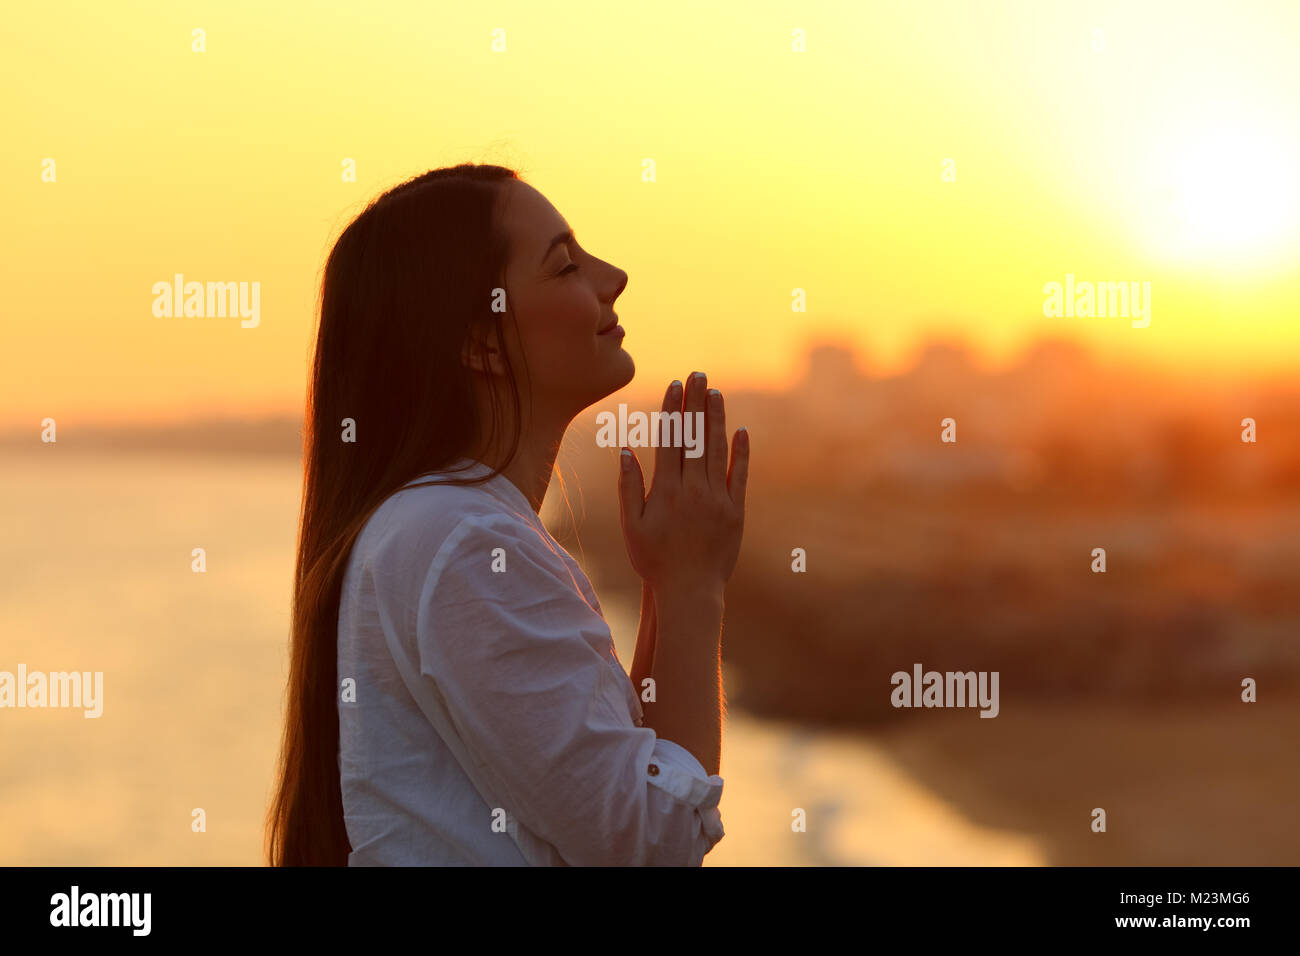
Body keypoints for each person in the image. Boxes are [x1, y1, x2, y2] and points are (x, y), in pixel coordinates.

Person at [267, 163, 750, 865]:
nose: (612, 275)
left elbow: (631, 781)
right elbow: (653, 841)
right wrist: (693, 587)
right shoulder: (463, 539)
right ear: (481, 343)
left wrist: (668, 588)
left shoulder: (442, 528)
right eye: (564, 266)